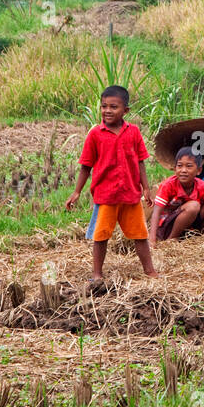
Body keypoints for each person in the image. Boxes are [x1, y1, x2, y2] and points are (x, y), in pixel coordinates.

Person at [64, 85, 157, 285]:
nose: (107, 110)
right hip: (106, 196)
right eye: (104, 106)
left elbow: (140, 161)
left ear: (125, 111)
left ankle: (149, 271)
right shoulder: (96, 134)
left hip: (130, 195)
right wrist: (76, 192)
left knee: (140, 234)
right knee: (101, 235)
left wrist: (146, 188)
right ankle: (97, 273)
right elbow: (86, 166)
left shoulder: (133, 132)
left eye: (113, 107)